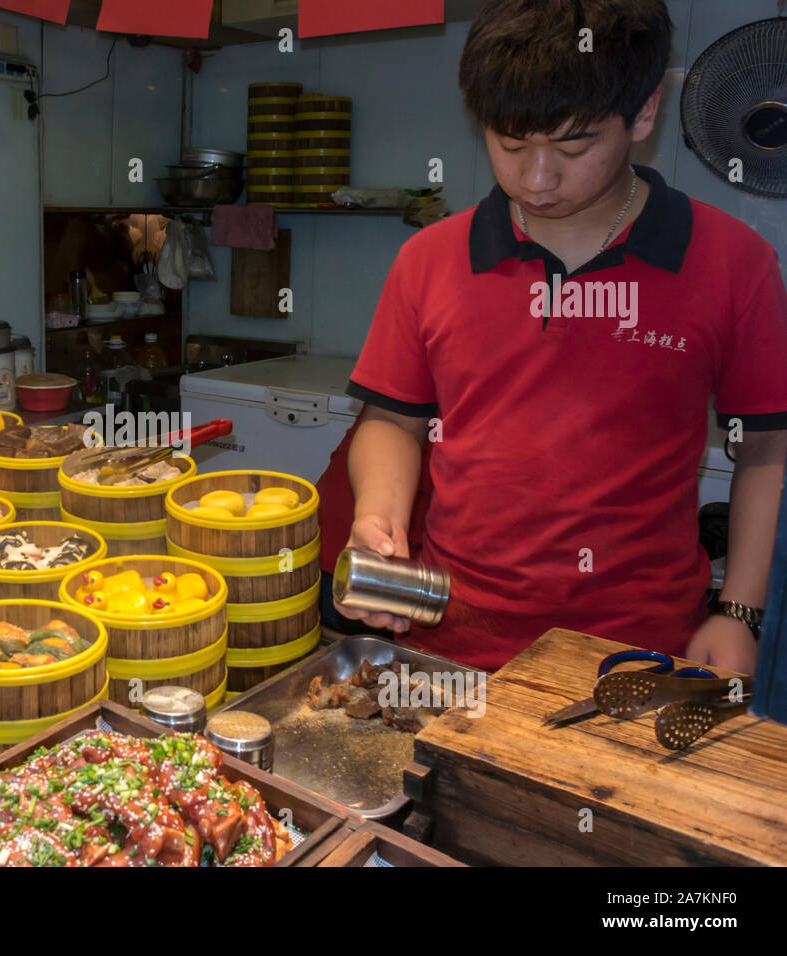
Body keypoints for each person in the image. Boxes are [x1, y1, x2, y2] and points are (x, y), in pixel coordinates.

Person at [328, 0, 787, 674]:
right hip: (450, 647)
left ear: (645, 114)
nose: (536, 179)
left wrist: (738, 611)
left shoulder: (731, 262)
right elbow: (393, 422)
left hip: (636, 656)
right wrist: (378, 519)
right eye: (510, 144)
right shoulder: (430, 259)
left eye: (572, 147)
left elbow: (768, 449)